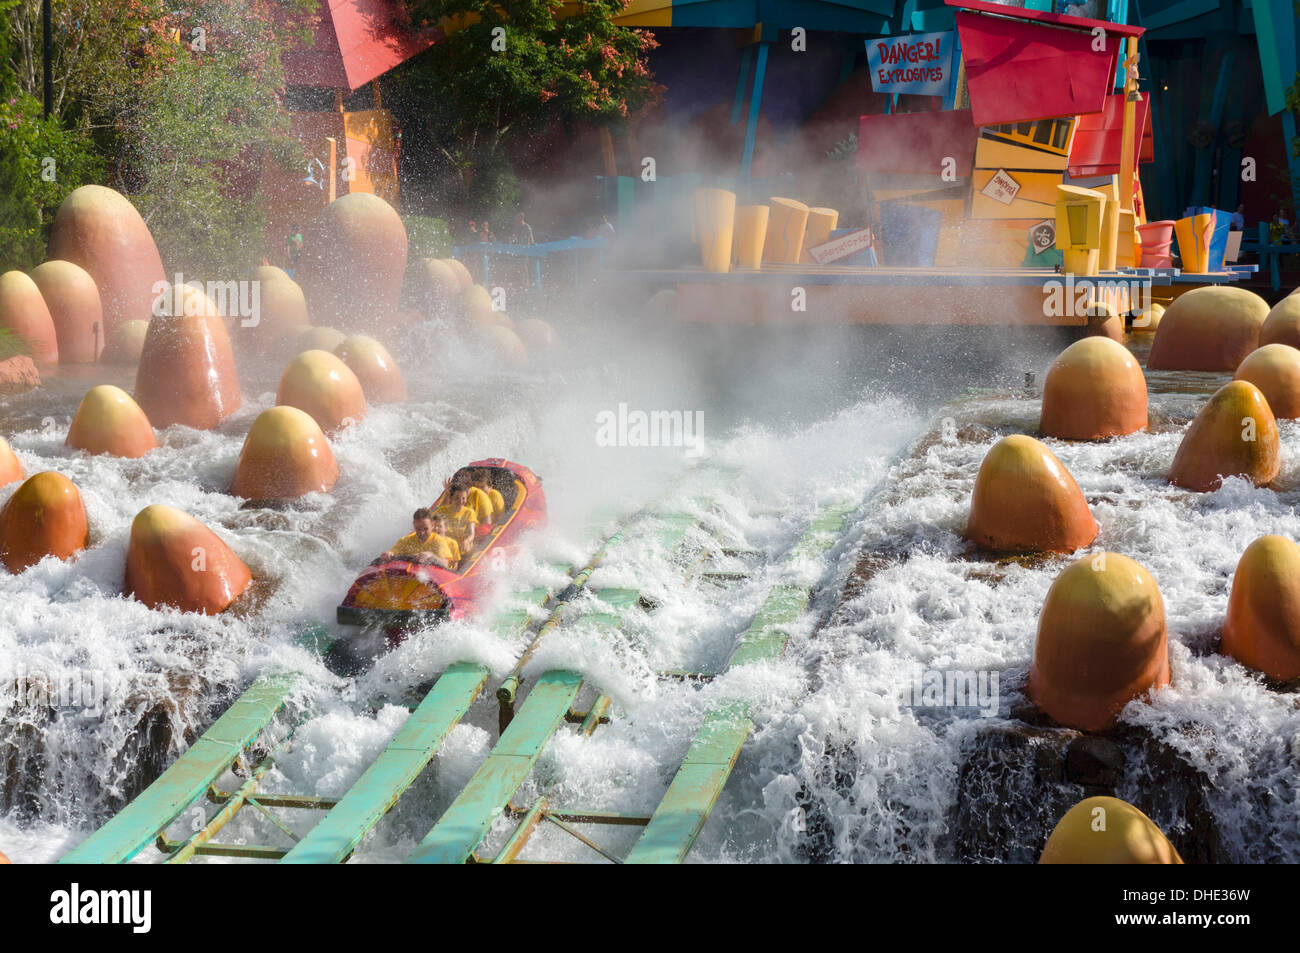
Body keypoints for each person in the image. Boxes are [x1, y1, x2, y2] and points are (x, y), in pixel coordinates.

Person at [377, 508, 460, 569]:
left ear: (432, 525)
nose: (421, 533)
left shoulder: (439, 541)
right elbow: (393, 552)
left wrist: (431, 555)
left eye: (425, 529)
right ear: (414, 525)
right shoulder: (406, 540)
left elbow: (445, 564)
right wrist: (388, 553)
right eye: (418, 529)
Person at [435, 483, 479, 554]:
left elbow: (471, 533)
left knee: (467, 548)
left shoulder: (469, 513)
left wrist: (467, 541)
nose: (460, 501)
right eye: (457, 498)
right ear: (451, 498)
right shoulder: (442, 510)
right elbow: (432, 527)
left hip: (463, 549)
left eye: (463, 498)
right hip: (447, 549)